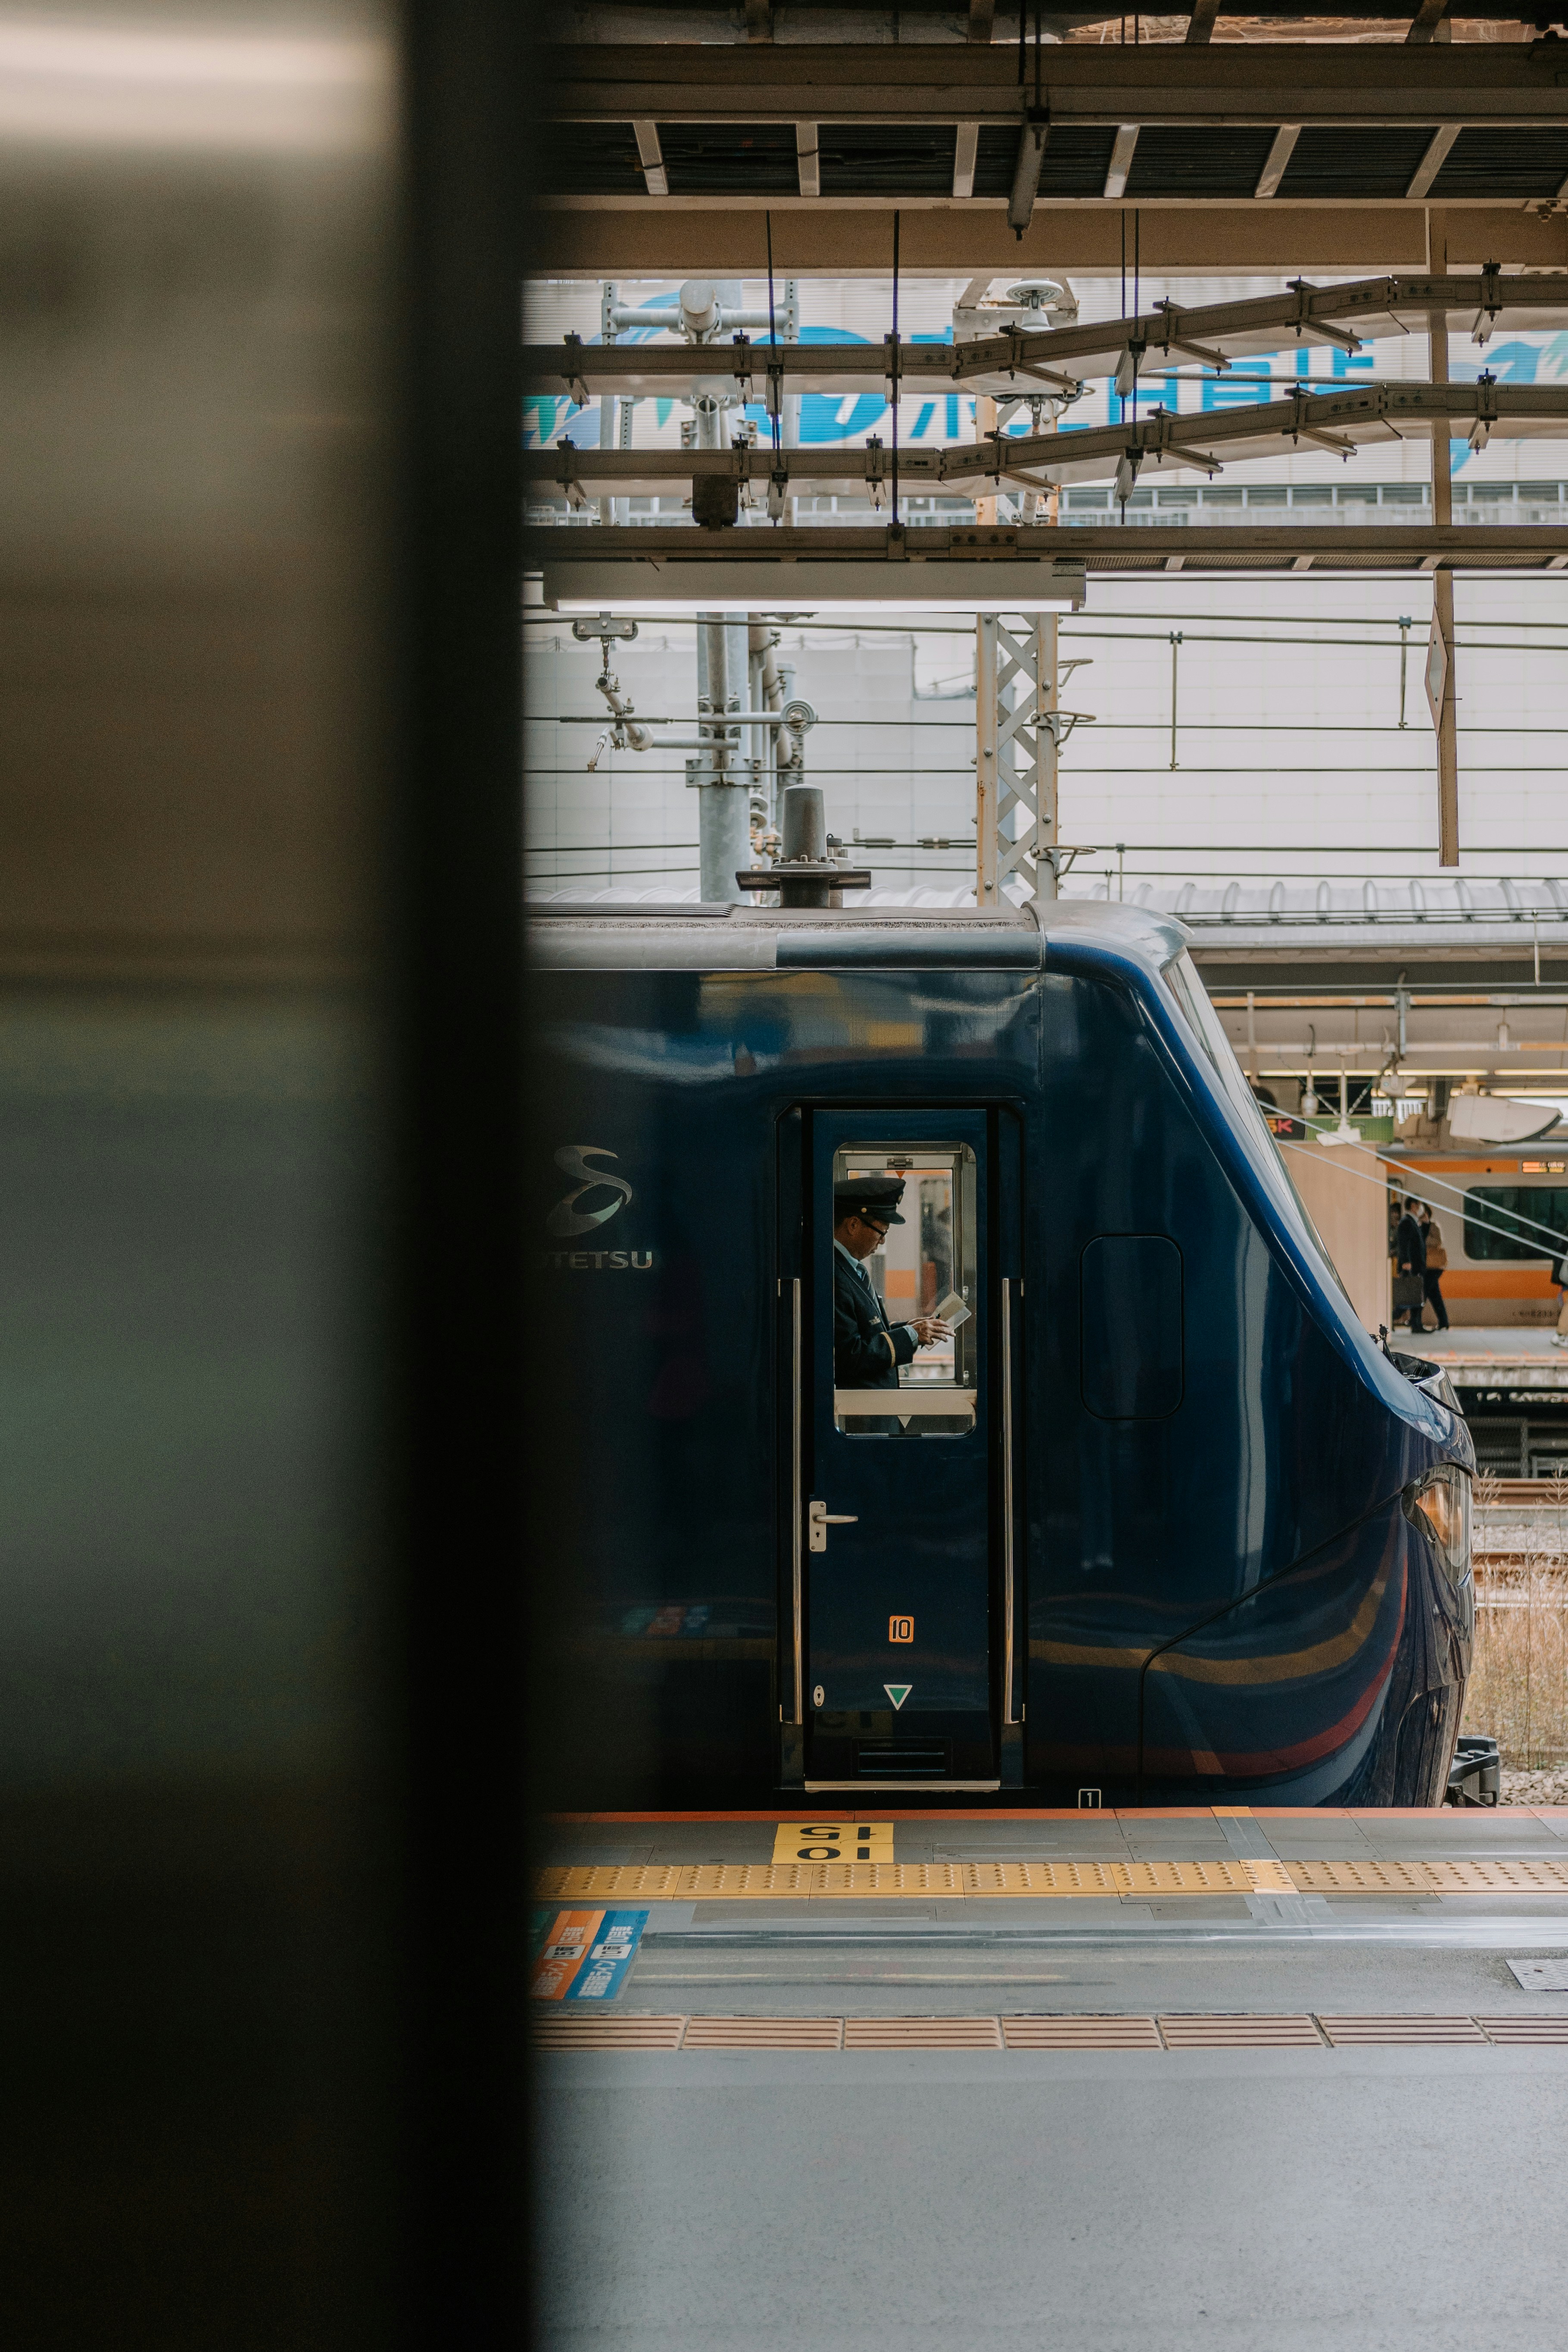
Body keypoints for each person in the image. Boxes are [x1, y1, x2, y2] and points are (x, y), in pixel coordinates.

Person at [832, 1176, 949, 1430]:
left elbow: (866, 1332)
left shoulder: (850, 1270)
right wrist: (910, 1335)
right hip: (860, 1421)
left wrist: (909, 1327)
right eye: (881, 1231)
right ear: (853, 1224)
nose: (883, 1240)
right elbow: (850, 1356)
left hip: (872, 1415)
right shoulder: (835, 1277)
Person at [1393, 1194, 1426, 1335]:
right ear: (1413, 1205)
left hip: (1416, 1265)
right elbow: (1404, 1244)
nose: (1421, 1208)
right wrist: (1406, 1262)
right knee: (1408, 1297)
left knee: (1415, 1295)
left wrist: (1426, 1224)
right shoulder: (1407, 1222)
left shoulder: (1413, 1222)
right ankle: (1391, 1318)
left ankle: (1416, 1324)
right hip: (1410, 1265)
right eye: (1419, 1205)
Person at [1418, 1204, 1450, 1333]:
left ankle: (1416, 1320)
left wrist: (1425, 1232)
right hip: (1425, 1266)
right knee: (1434, 1295)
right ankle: (1444, 1322)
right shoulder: (1419, 1226)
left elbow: (1437, 1242)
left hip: (1434, 1267)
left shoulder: (1433, 1226)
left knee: (1424, 1293)